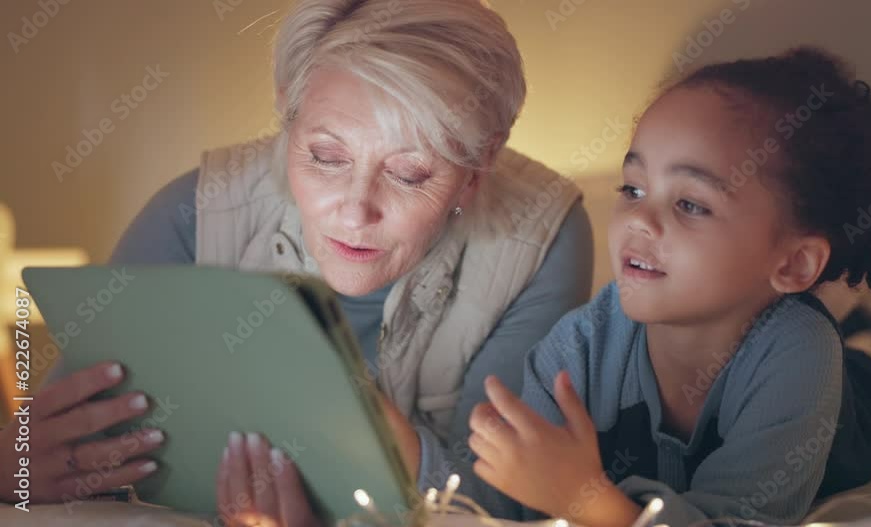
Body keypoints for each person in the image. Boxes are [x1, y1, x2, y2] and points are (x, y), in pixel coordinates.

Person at [213, 47, 871, 527]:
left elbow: (741, 518)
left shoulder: (798, 354)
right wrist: (381, 427)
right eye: (631, 189)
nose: (638, 223)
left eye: (688, 203)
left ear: (794, 261)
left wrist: (588, 497)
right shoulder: (593, 332)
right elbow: (493, 493)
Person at [0, 0, 594, 507]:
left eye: (410, 173)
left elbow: (503, 503)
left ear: (478, 165)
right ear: (289, 111)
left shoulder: (542, 238)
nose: (355, 210)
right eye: (327, 157)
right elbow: (64, 445)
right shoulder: (194, 213)